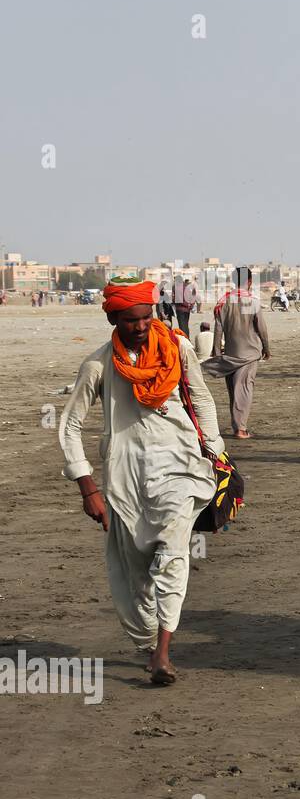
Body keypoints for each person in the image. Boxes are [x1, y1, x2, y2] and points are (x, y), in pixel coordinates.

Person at [58, 277, 224, 685]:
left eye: (146, 316)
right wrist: (87, 486)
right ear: (113, 318)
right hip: (123, 478)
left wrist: (217, 452)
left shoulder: (177, 349)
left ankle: (163, 653)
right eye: (131, 320)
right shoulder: (98, 365)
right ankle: (149, 644)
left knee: (173, 553)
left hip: (181, 467)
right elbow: (69, 426)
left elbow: (201, 398)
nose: (141, 325)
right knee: (134, 576)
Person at [203, 266, 270, 440]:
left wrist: (217, 353)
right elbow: (261, 328)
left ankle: (237, 426)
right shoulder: (252, 302)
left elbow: (218, 330)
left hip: (230, 353)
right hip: (249, 354)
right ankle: (240, 429)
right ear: (249, 282)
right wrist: (266, 348)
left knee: (234, 391)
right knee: (244, 390)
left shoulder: (224, 301)